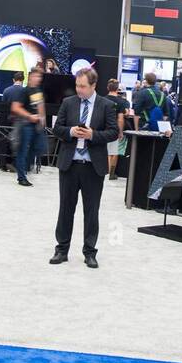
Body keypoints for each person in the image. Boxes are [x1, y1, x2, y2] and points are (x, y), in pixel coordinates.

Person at [49, 68, 119, 269]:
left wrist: (92, 135)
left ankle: (90, 252)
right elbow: (57, 129)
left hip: (93, 167)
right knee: (65, 209)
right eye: (77, 85)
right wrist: (71, 131)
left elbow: (114, 132)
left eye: (83, 86)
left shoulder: (107, 105)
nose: (78, 90)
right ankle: (61, 250)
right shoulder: (68, 103)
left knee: (91, 211)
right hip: (69, 165)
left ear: (93, 85)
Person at [6, 69, 47, 187]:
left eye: (40, 76)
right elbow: (15, 107)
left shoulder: (38, 91)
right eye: (36, 76)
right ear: (30, 77)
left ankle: (22, 169)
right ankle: (21, 177)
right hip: (25, 125)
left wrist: (42, 119)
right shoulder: (24, 91)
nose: (38, 79)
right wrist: (30, 116)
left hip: (35, 125)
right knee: (22, 151)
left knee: (37, 149)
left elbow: (40, 105)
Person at [104, 78, 129, 181]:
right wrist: (120, 131)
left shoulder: (102, 99)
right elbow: (120, 119)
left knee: (106, 151)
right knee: (114, 152)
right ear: (117, 89)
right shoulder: (121, 102)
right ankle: (111, 173)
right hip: (113, 129)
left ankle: (106, 171)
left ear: (107, 88)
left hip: (103, 128)